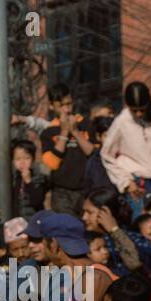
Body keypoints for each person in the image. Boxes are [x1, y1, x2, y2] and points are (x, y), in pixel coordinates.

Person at [100, 82, 151, 217]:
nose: (139, 113)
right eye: (134, 110)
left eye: (143, 109)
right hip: (138, 184)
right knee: (142, 226)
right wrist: (126, 182)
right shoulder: (122, 121)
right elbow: (106, 155)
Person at [39, 83, 96, 215]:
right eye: (61, 106)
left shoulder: (86, 124)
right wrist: (64, 133)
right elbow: (52, 163)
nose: (67, 110)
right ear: (52, 106)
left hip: (86, 189)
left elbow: (92, 153)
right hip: (62, 192)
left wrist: (75, 132)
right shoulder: (49, 132)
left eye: (69, 104)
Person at [12, 140, 49, 218]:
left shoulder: (38, 178)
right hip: (15, 223)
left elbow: (37, 201)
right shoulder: (12, 178)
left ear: (33, 160)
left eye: (27, 158)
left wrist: (28, 181)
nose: (22, 162)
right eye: (18, 159)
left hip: (33, 221)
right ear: (13, 161)